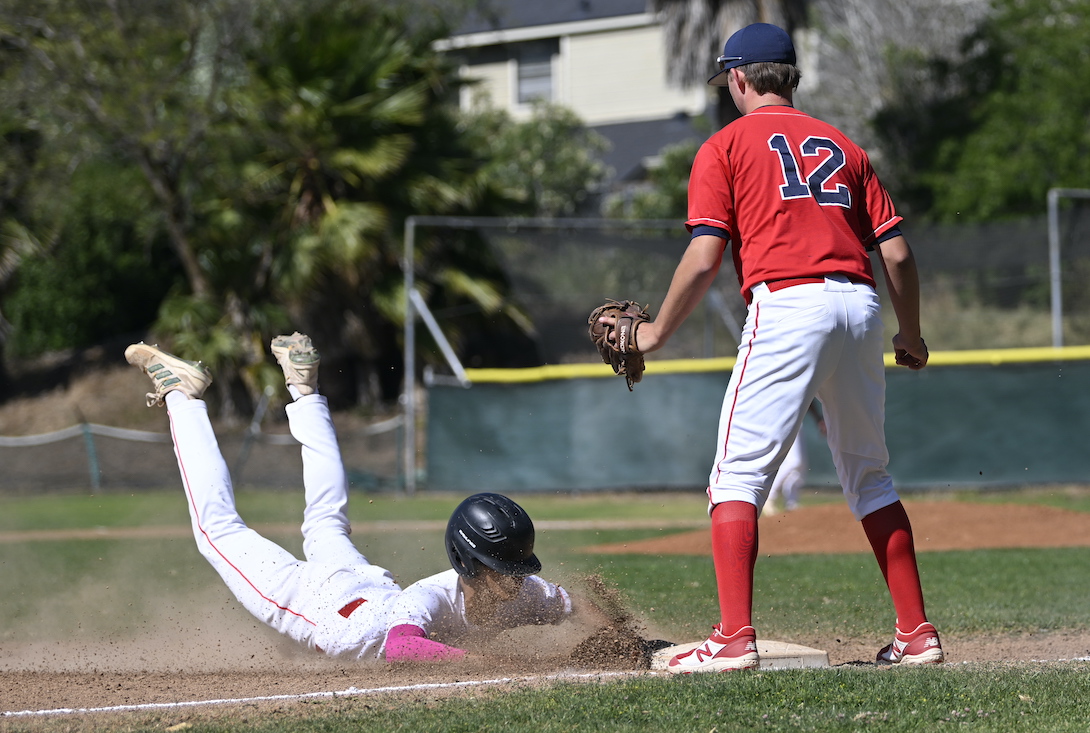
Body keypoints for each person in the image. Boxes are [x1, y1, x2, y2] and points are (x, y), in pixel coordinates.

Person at [599, 23, 942, 672]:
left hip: (789, 303)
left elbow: (705, 254)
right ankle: (916, 632)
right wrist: (911, 332)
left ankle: (733, 637)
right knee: (869, 475)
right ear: (791, 77)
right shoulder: (846, 146)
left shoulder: (724, 145)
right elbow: (896, 253)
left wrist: (655, 332)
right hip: (860, 304)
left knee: (735, 476)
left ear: (737, 78)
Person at [124, 333, 572, 662]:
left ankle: (305, 391)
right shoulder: (429, 597)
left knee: (326, 522)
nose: (514, 581)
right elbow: (401, 648)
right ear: (470, 565)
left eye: (516, 570)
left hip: (365, 588)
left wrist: (612, 635)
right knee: (218, 529)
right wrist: (490, 664)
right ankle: (182, 396)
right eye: (503, 571)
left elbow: (575, 605)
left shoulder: (522, 593)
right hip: (315, 603)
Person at [764, 402, 825, 515]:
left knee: (800, 466)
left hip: (795, 419)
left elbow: (808, 399)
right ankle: (769, 496)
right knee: (794, 462)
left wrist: (818, 418)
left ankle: (791, 502)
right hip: (780, 419)